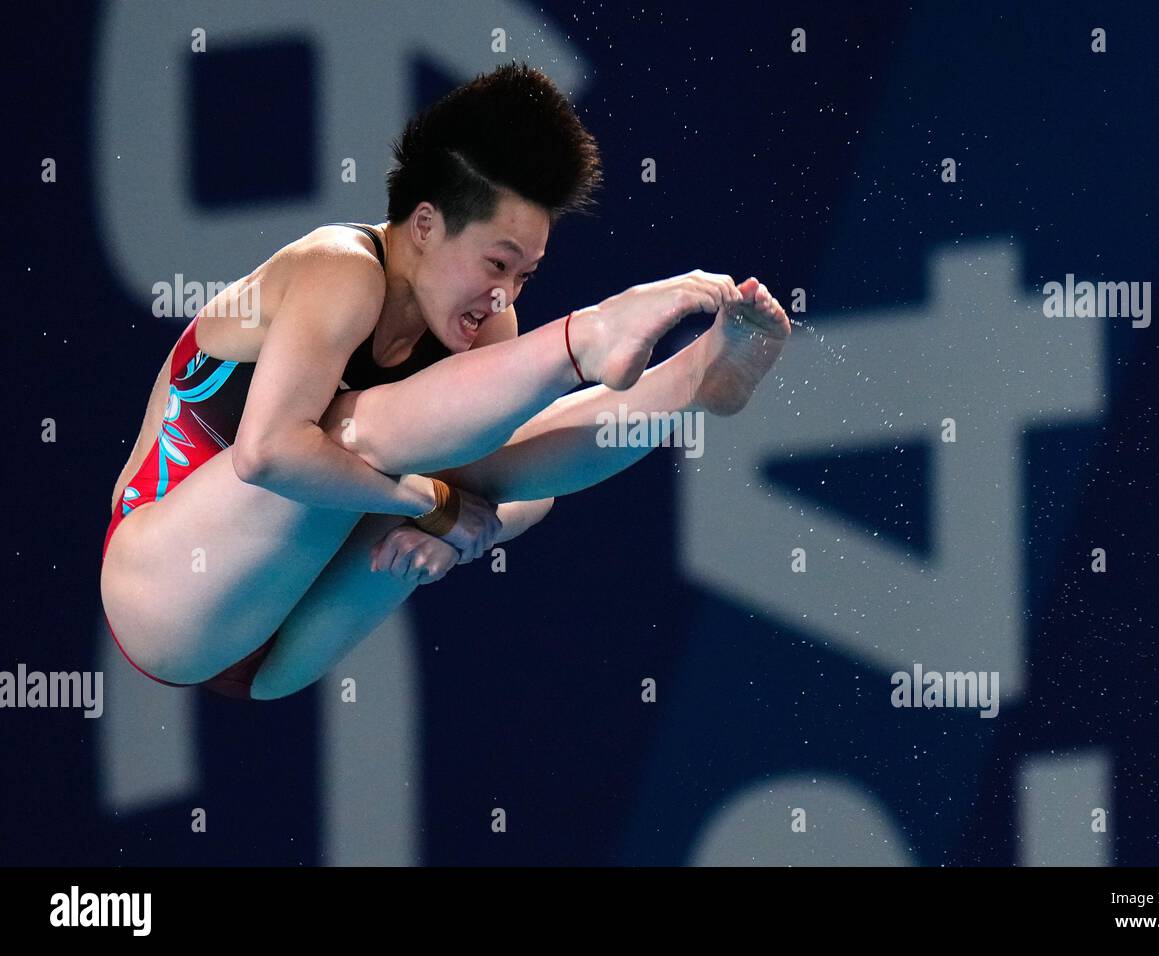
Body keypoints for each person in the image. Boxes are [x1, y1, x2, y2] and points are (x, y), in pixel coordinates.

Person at [99, 61, 790, 701]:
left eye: (525, 275)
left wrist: (458, 532)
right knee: (351, 432)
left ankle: (691, 382)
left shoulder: (485, 325)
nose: (504, 295)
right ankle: (588, 338)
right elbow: (268, 453)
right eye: (497, 263)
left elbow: (521, 490)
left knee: (470, 467)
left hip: (285, 650)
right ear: (425, 224)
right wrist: (428, 503)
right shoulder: (338, 271)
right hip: (167, 599)